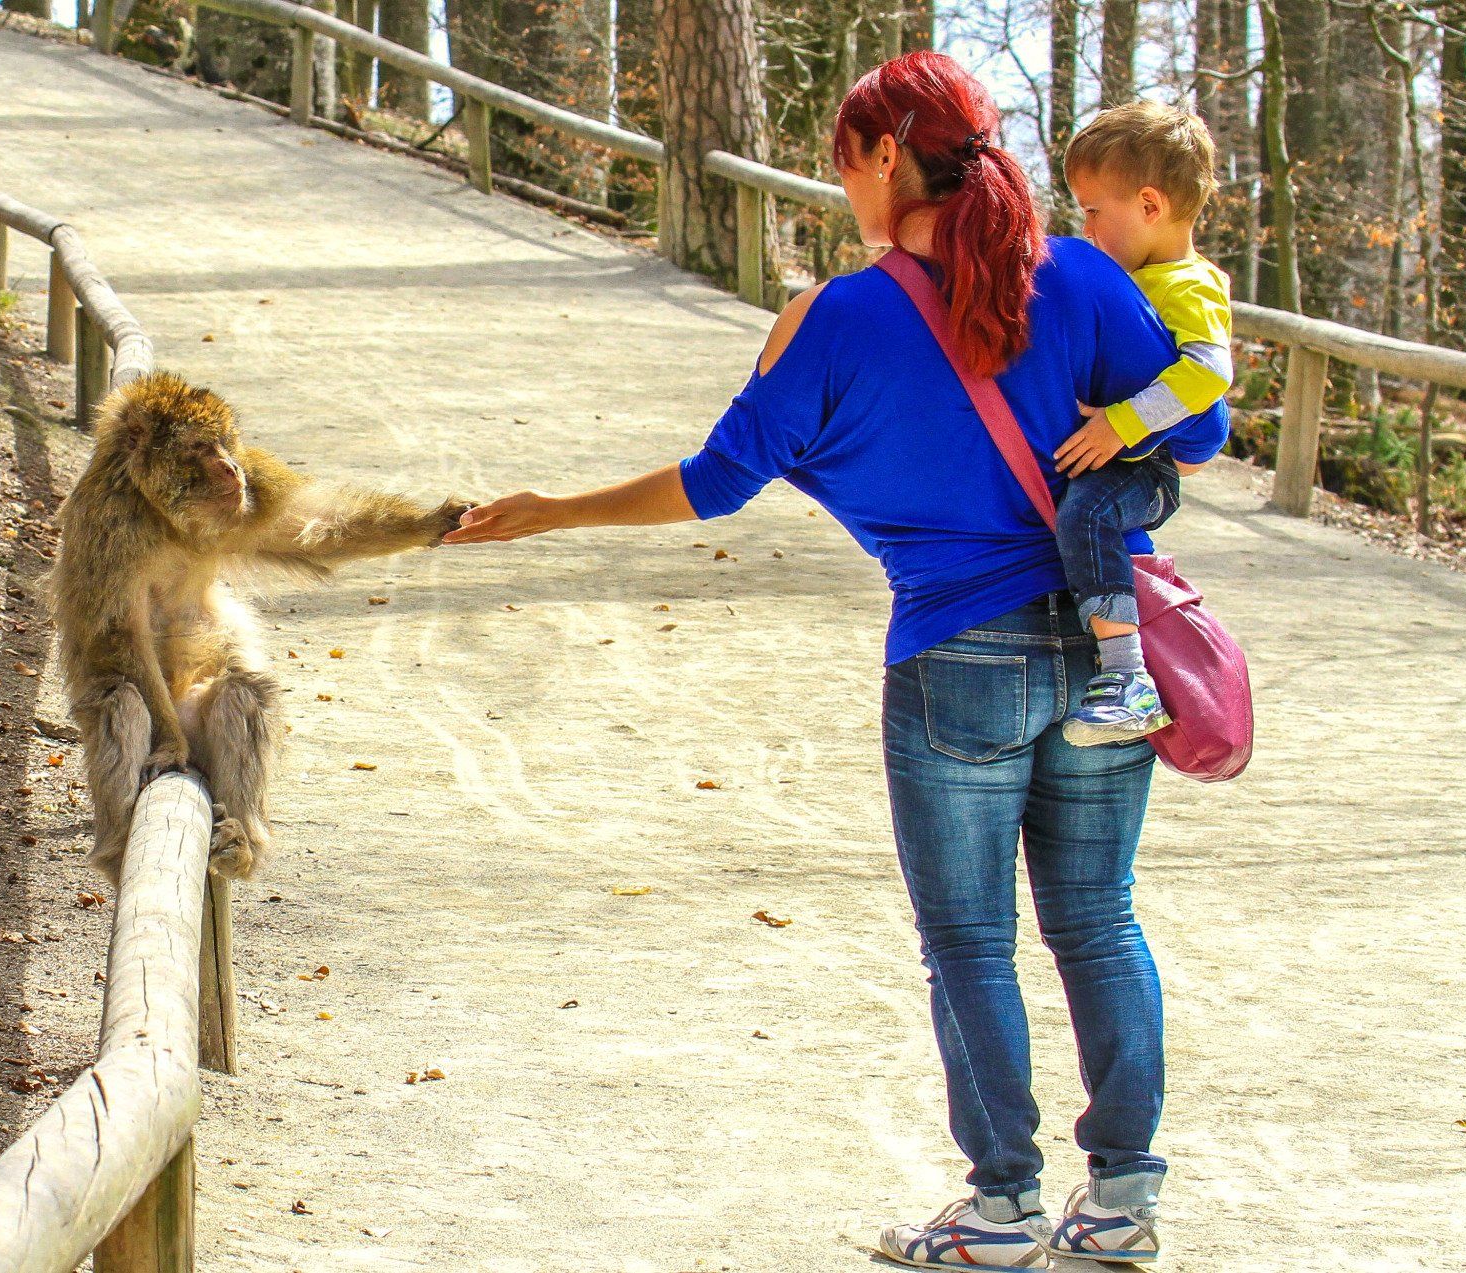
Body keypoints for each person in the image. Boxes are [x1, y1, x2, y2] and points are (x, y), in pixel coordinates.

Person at [444, 51, 1228, 1270]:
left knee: (968, 940)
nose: (842, 185)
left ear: (880, 157)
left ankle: (1003, 1209)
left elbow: (711, 485)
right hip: (1099, 640)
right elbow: (1202, 424)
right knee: (1098, 922)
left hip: (954, 657)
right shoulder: (1078, 272)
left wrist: (553, 509)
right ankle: (1122, 1201)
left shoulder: (832, 320)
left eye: (841, 161)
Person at [1052, 102, 1233, 746]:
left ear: (1150, 205)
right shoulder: (1136, 277)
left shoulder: (1189, 284)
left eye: (1095, 210)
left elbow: (1209, 372)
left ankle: (1127, 677)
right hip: (1126, 454)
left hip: (1145, 466)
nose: (1087, 225)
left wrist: (1122, 425)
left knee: (1085, 517)